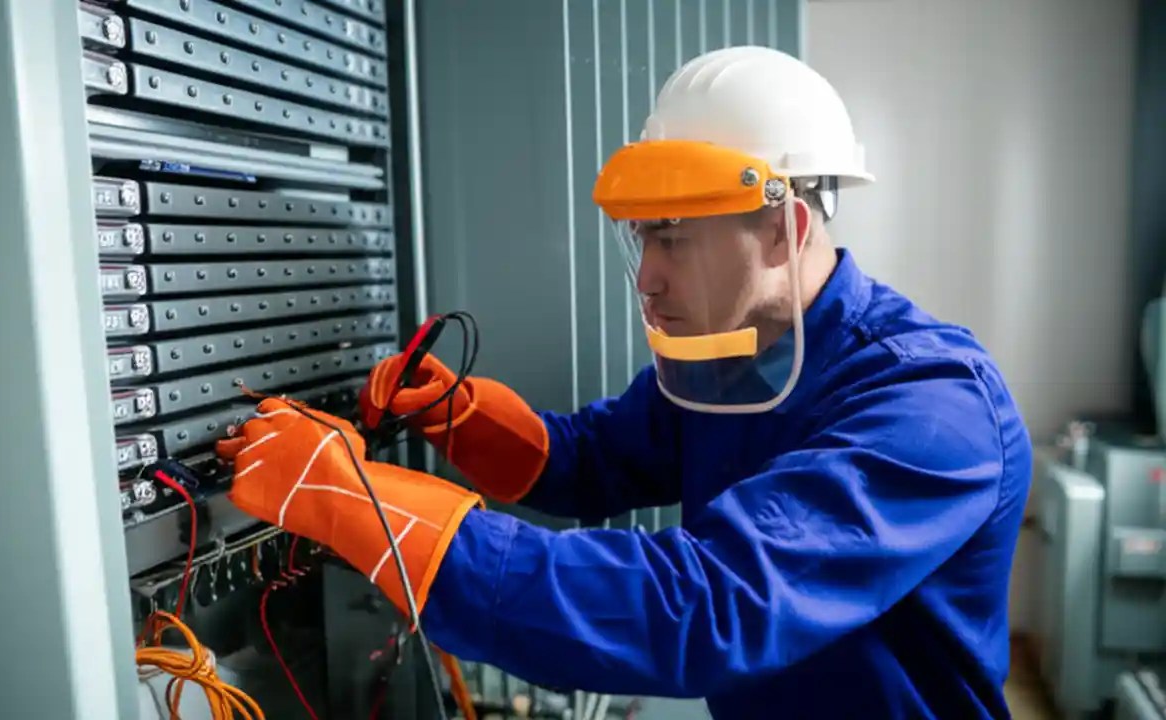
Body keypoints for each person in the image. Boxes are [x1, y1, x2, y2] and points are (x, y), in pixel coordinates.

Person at [216, 46, 1031, 719]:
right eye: (644, 238)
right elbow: (597, 458)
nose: (647, 278)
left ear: (787, 230)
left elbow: (708, 608)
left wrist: (361, 503)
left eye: (674, 238)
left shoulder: (930, 407)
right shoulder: (739, 358)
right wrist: (461, 417)